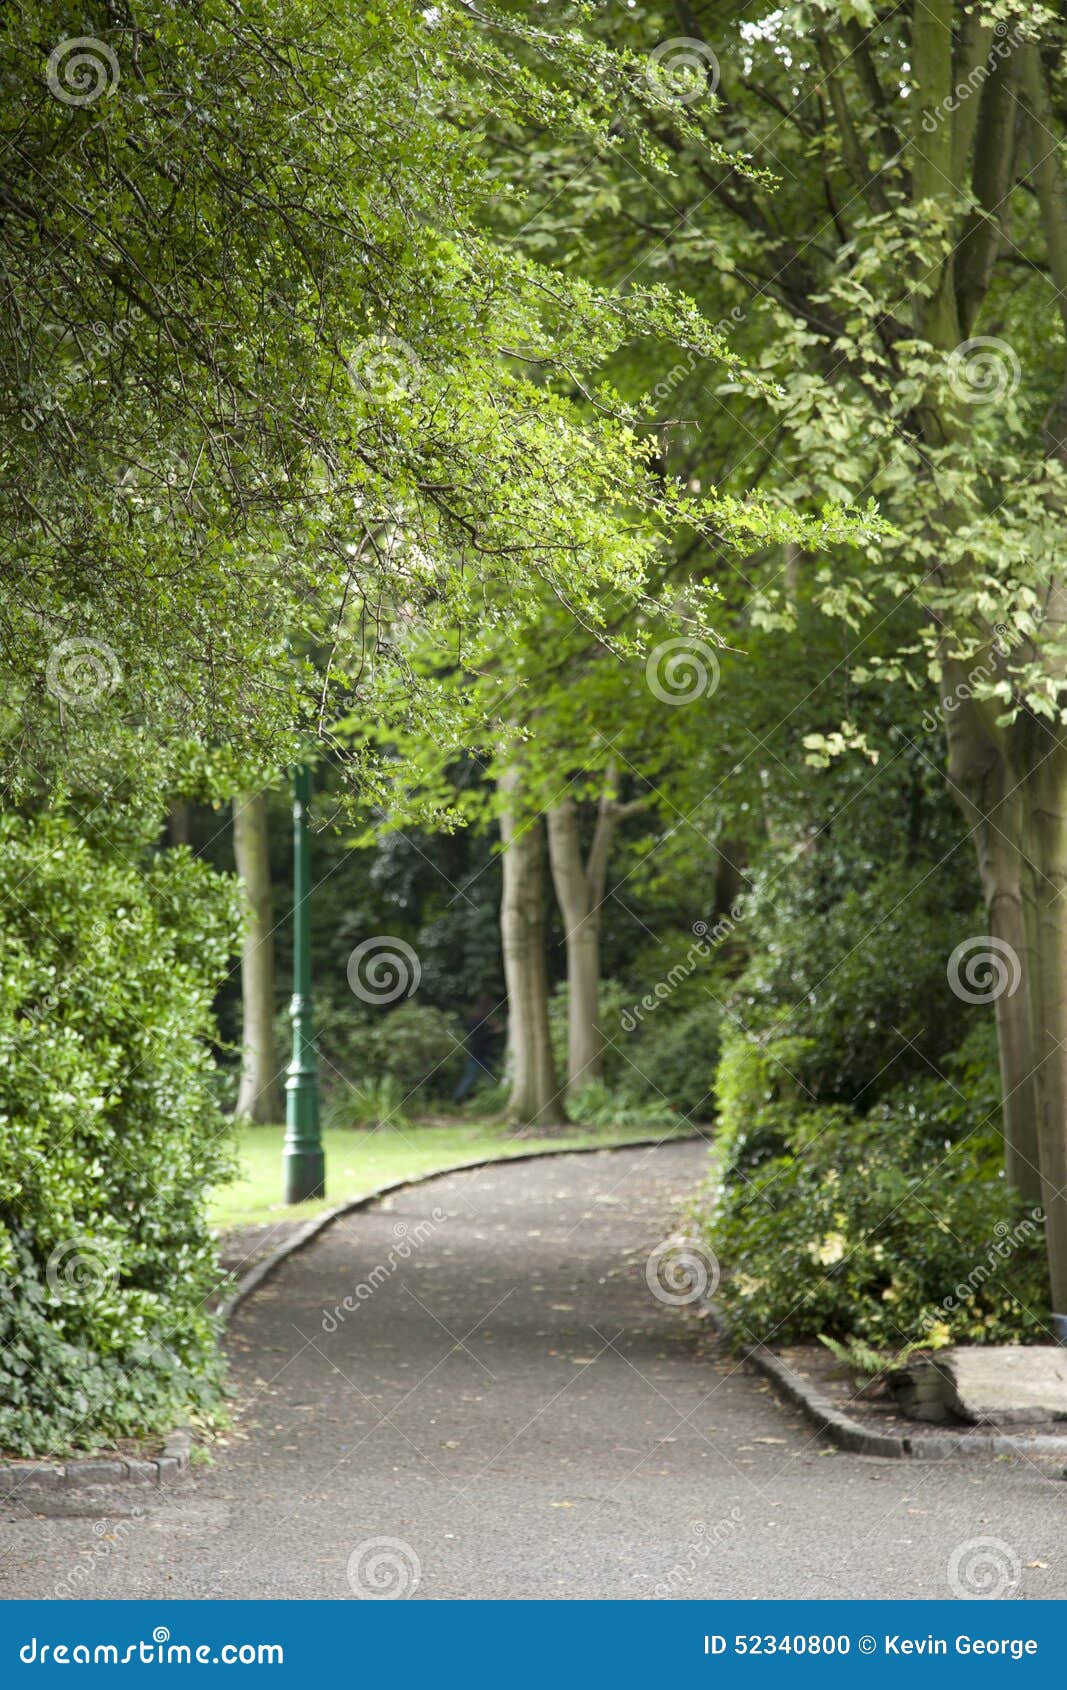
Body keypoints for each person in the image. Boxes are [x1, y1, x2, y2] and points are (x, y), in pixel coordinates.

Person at [453, 993, 501, 1104]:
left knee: (471, 1077)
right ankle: (492, 1100)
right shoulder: (478, 1019)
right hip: (481, 1053)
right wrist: (495, 1032)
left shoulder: (477, 1018)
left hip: (477, 1052)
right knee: (484, 1077)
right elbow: (481, 1037)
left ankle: (458, 1098)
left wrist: (492, 1028)